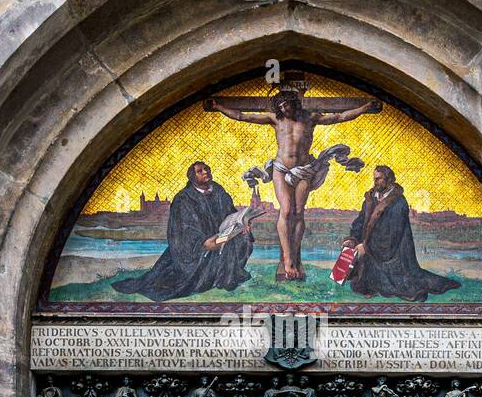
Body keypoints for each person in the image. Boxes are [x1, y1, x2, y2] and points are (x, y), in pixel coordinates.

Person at [206, 86, 380, 282]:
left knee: (298, 212)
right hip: (281, 169)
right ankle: (288, 260)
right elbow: (242, 116)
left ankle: (295, 257)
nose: (283, 107)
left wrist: (364, 107)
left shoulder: (310, 118)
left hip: (304, 170)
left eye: (286, 103)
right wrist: (219, 107)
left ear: (294, 103)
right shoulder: (275, 119)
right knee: (286, 210)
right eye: (279, 105)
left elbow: (340, 117)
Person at [112, 162, 253, 301]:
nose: (205, 172)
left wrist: (243, 223)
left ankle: (227, 277)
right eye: (200, 171)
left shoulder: (218, 190)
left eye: (207, 169)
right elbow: (183, 230)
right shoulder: (183, 199)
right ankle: (213, 278)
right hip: (195, 247)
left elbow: (231, 213)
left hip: (221, 236)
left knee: (245, 238)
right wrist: (203, 243)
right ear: (192, 177)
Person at [342, 166, 461, 303]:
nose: (375, 182)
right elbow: (361, 221)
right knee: (360, 284)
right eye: (374, 179)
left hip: (394, 254)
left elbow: (393, 234)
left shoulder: (398, 202)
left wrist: (366, 246)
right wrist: (352, 239)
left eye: (379, 178)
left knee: (404, 287)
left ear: (389, 179)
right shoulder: (370, 199)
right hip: (371, 249)